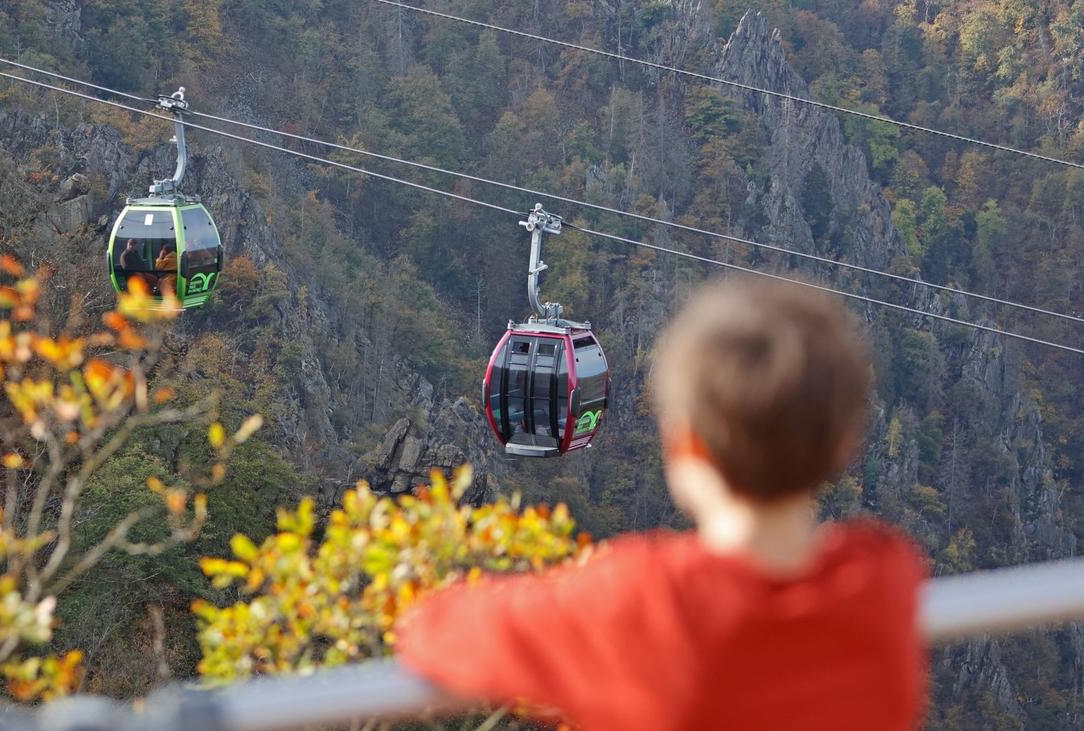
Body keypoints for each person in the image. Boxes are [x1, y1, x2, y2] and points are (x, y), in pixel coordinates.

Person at [397, 279, 927, 731]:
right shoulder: (881, 584)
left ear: (686, 444)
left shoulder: (647, 602)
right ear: (842, 445)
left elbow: (442, 632)